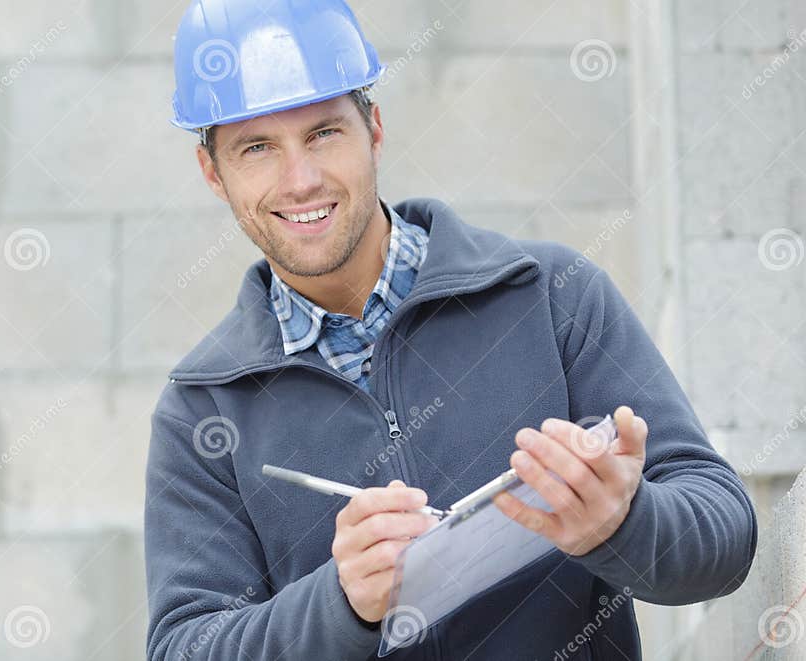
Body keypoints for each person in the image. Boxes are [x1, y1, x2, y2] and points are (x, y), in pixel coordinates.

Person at [144, 1, 757, 659]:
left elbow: (726, 537)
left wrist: (624, 522)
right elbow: (187, 646)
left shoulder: (551, 295)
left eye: (324, 133)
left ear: (374, 129)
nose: (302, 179)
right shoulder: (202, 410)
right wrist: (340, 603)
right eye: (257, 148)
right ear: (215, 173)